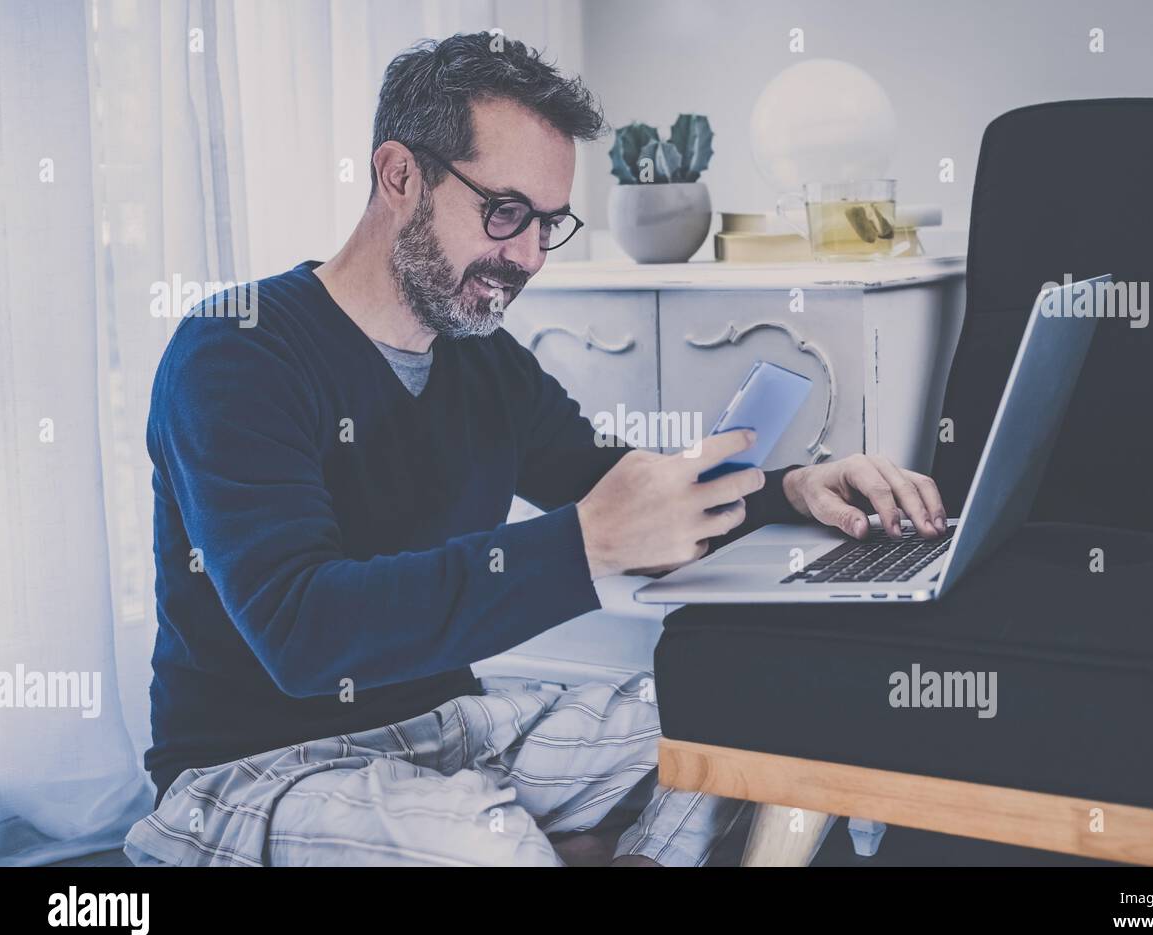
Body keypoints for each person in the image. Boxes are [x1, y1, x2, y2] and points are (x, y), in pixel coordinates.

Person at [124, 32, 945, 867]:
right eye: (504, 211)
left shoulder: (481, 358)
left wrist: (796, 489)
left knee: (749, 711)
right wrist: (588, 543)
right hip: (251, 772)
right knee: (493, 848)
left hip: (450, 731)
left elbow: (614, 484)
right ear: (399, 175)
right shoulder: (236, 352)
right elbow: (303, 634)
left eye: (548, 224)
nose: (525, 257)